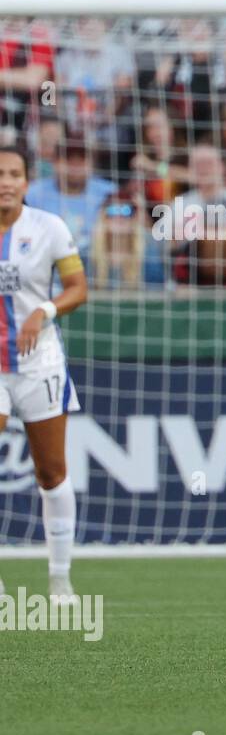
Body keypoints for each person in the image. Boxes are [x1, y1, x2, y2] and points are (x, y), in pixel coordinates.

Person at [0, 144, 88, 604]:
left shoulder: (47, 227)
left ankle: (59, 580)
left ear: (26, 182)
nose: (6, 181)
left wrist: (44, 310)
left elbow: (78, 287)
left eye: (14, 173)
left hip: (39, 362)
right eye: (0, 173)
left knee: (51, 471)